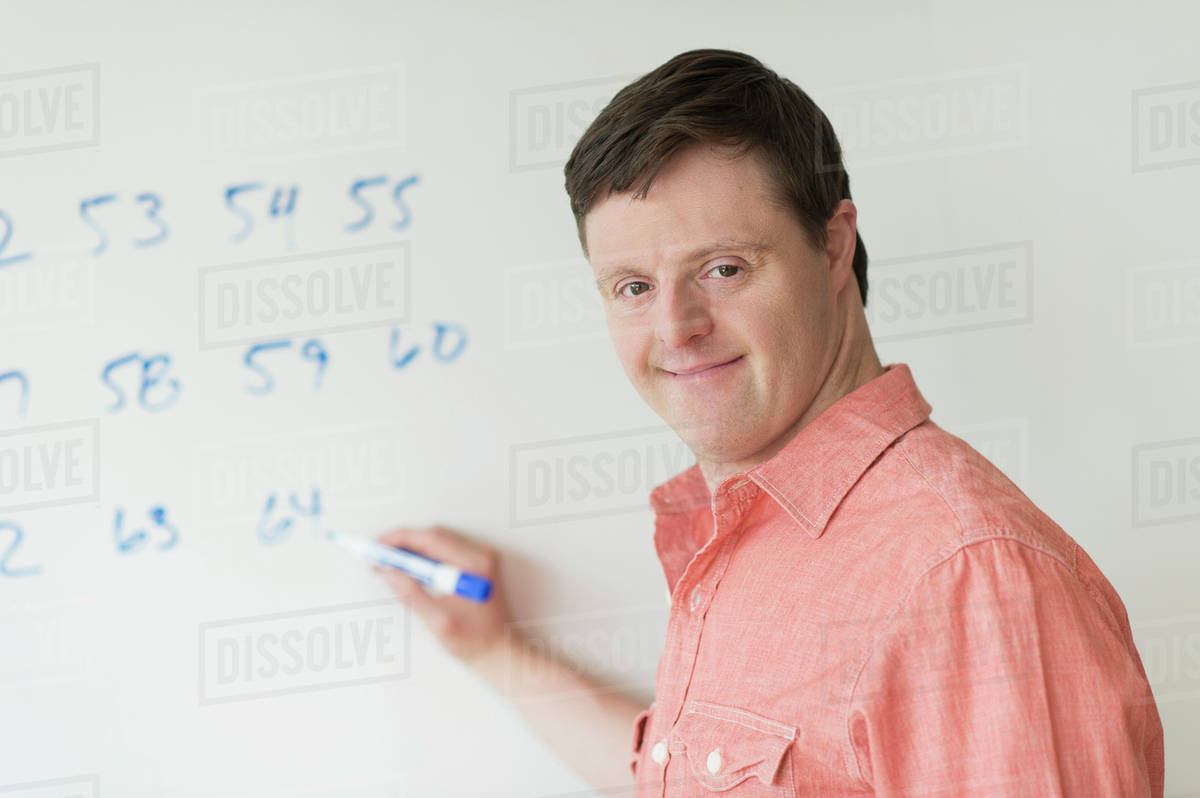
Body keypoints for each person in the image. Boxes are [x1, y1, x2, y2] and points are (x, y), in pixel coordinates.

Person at [376, 49, 1165, 796]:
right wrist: (496, 651)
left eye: (723, 269)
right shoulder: (761, 534)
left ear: (833, 247)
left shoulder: (969, 578)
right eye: (633, 287)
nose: (675, 328)